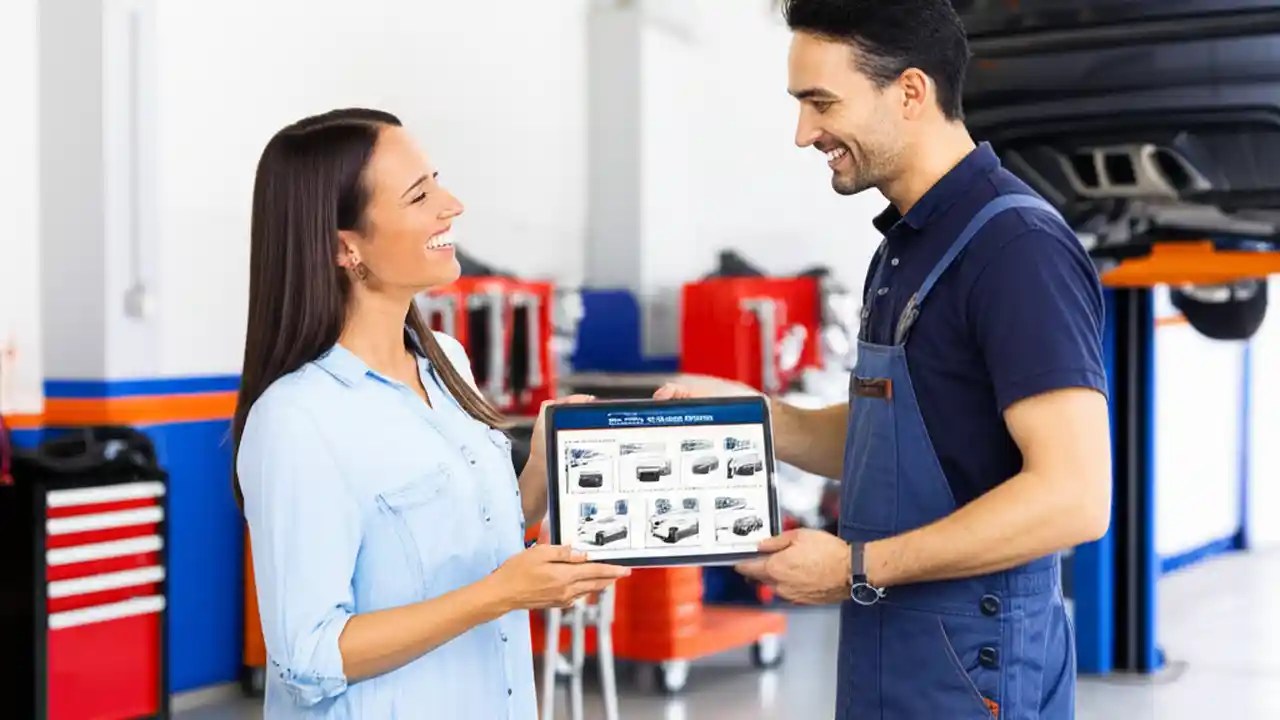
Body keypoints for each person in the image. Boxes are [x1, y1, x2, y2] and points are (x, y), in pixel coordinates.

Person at [656, 2, 1111, 718]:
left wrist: (854, 568)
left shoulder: (1016, 251)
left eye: (821, 103)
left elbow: (1074, 498)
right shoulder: (905, 247)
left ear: (909, 91)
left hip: (976, 669)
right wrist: (749, 417)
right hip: (893, 650)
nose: (804, 133)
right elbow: (900, 440)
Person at [232, 108, 629, 719]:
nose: (452, 205)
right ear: (346, 247)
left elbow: (467, 545)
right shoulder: (297, 419)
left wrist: (543, 474)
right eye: (419, 195)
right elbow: (307, 657)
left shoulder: (447, 363)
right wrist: (498, 596)